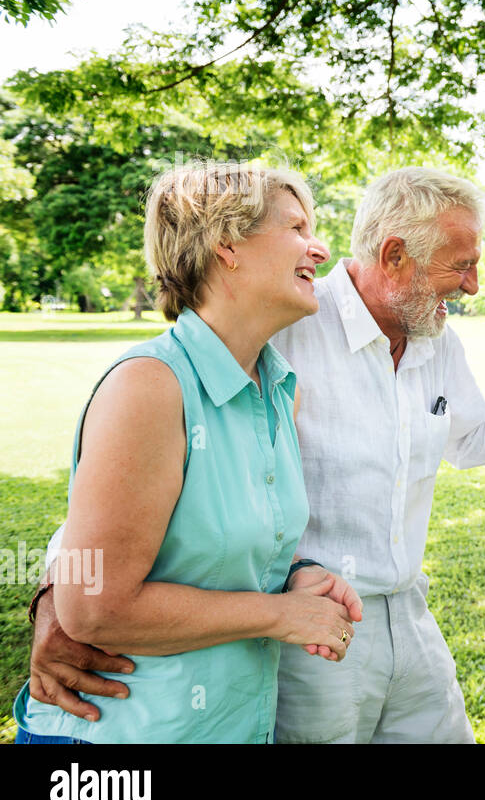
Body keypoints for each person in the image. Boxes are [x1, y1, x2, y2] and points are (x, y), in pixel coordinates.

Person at [29, 165, 485, 744]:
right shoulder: (278, 328)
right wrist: (61, 592)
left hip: (397, 609)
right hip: (299, 636)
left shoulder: (362, 358)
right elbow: (121, 483)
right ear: (395, 255)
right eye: (459, 265)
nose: (473, 285)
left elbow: (469, 433)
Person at [15, 162, 362, 743]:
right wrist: (278, 615)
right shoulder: (151, 385)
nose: (319, 249)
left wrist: (297, 577)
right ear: (226, 244)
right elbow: (94, 608)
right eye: (297, 229)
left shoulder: (280, 391)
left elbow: (229, 552)